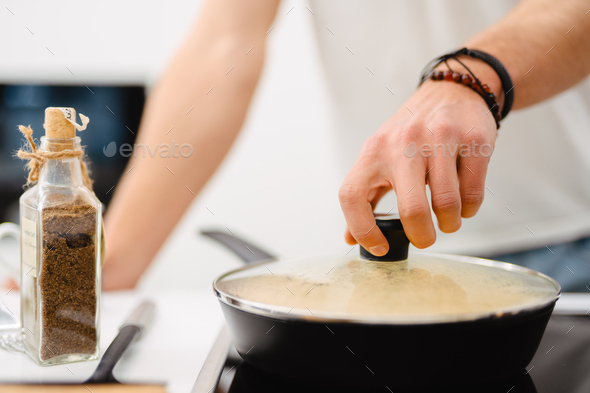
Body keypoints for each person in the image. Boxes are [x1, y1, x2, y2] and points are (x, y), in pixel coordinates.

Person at [102, 0, 590, 291]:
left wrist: (470, 78)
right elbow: (224, 46)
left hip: (570, 249)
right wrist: (112, 265)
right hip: (388, 261)